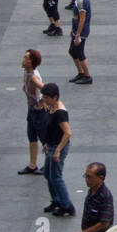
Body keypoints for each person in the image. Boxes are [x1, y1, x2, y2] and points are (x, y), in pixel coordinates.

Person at [41, 83, 75, 216]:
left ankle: (66, 205)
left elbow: (67, 133)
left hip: (57, 147)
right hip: (51, 145)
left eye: (47, 97)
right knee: (48, 174)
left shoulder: (60, 113)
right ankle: (56, 200)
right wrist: (46, 143)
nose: (45, 100)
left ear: (55, 97)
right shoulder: (52, 107)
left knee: (56, 177)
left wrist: (57, 150)